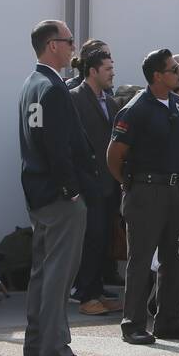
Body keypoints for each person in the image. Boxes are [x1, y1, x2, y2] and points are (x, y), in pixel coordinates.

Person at [107, 48, 179, 345]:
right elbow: (114, 156)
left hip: (175, 192)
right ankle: (133, 323)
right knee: (141, 259)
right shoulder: (136, 109)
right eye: (172, 70)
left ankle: (168, 322)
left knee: (176, 256)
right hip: (146, 192)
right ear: (157, 76)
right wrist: (130, 183)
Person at [18, 20, 98, 356]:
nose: (73, 48)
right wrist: (73, 189)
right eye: (68, 41)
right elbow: (56, 147)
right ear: (52, 45)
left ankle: (37, 346)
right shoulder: (51, 87)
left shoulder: (32, 84)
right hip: (58, 197)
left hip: (40, 194)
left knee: (43, 274)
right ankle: (53, 350)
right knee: (58, 276)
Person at [68, 44, 123, 316]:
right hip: (87, 184)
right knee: (91, 238)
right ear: (92, 71)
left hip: (109, 183)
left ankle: (97, 289)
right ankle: (86, 295)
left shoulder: (111, 102)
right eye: (108, 69)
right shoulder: (74, 99)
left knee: (103, 239)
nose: (112, 74)